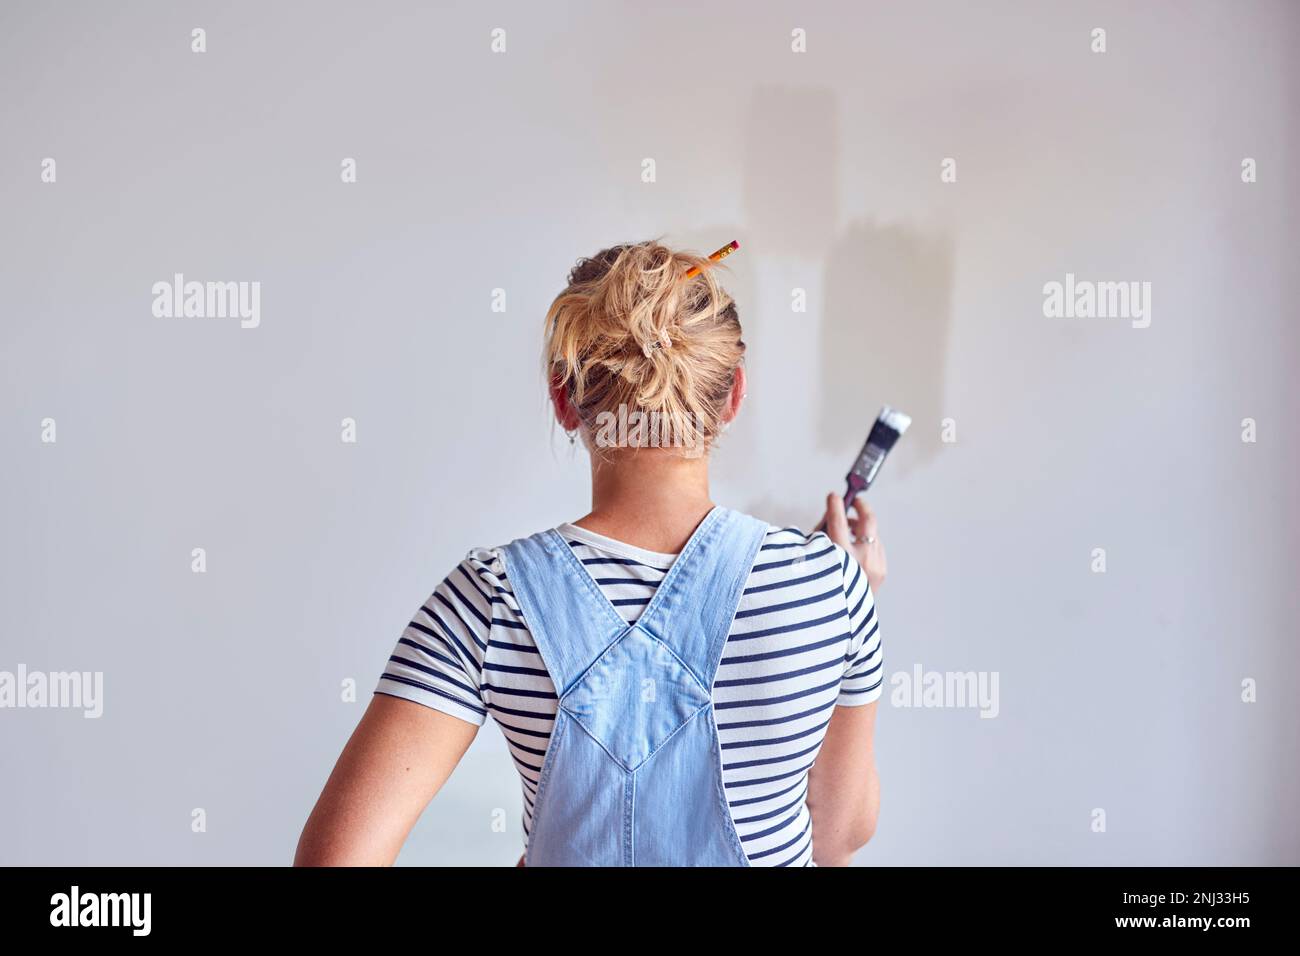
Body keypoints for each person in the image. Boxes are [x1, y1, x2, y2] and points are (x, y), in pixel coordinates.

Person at [295, 241, 887, 867]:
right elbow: (839, 836)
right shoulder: (832, 587)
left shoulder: (489, 595)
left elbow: (334, 859)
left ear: (563, 397)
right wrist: (847, 593)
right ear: (734, 394)